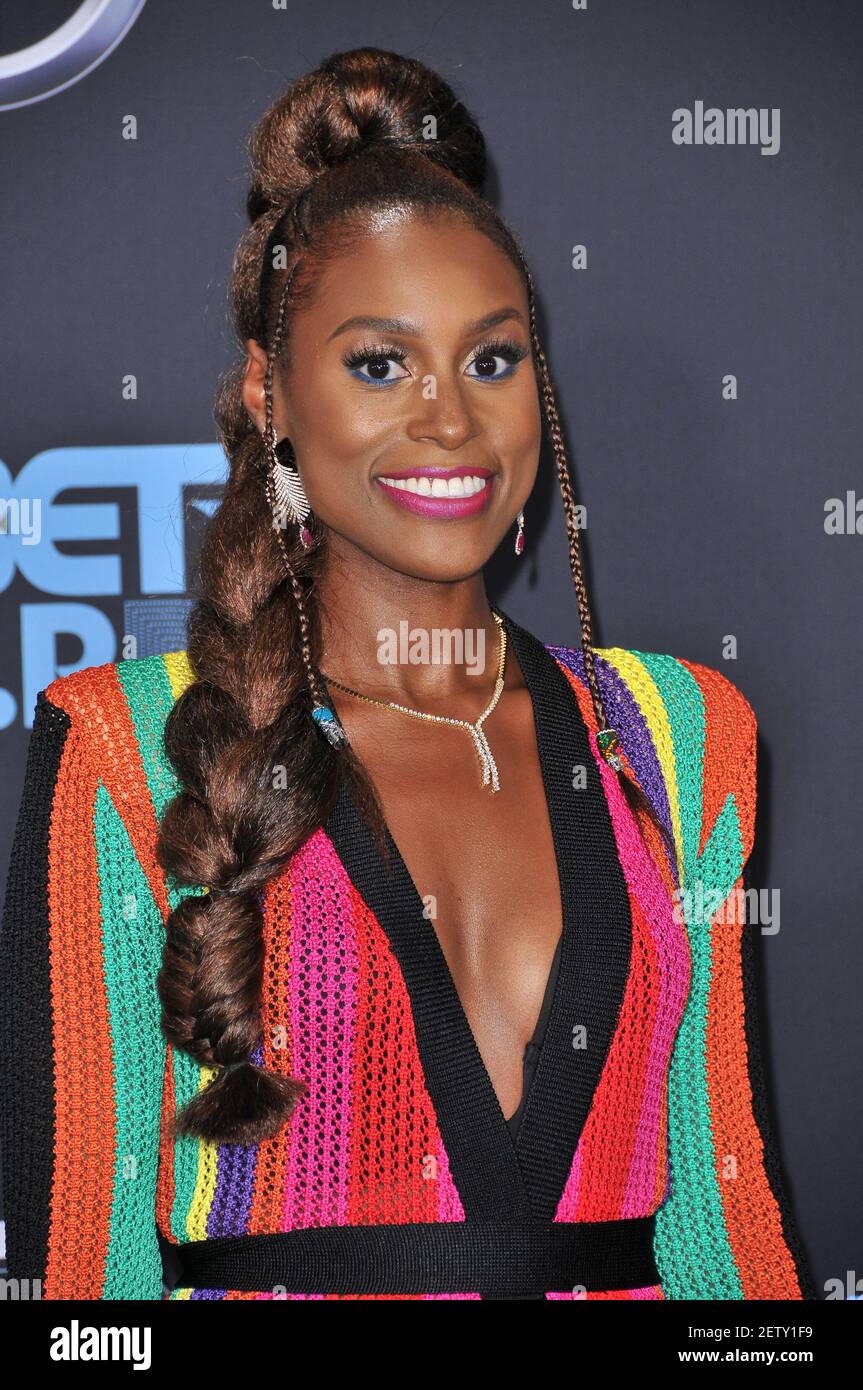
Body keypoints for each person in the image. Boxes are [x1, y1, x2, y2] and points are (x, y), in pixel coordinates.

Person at [0, 46, 814, 1301]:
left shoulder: (682, 732)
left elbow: (722, 1210)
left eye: (491, 360)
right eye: (379, 364)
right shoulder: (127, 745)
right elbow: (75, 1277)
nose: (449, 419)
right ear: (271, 396)